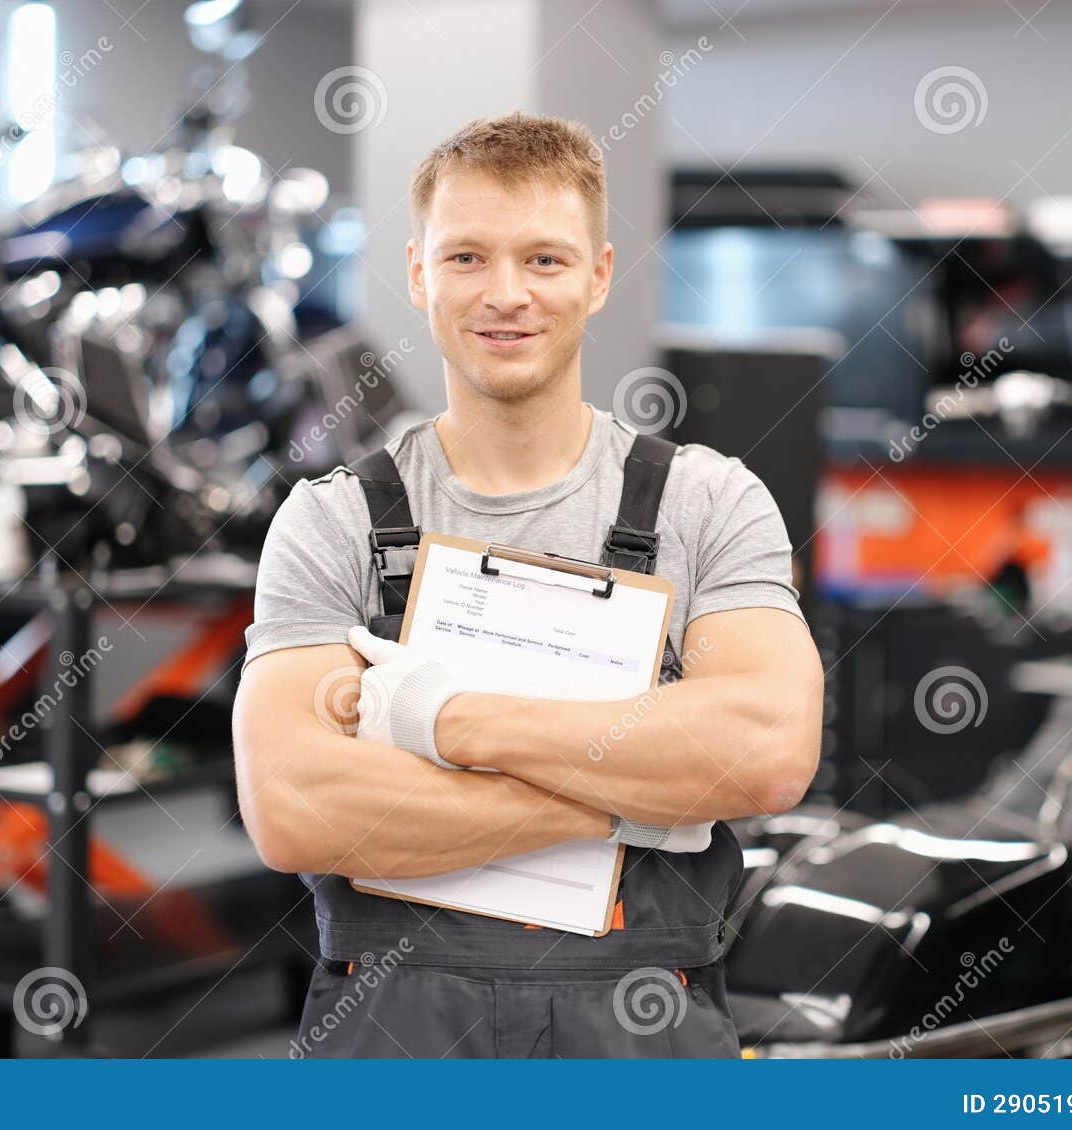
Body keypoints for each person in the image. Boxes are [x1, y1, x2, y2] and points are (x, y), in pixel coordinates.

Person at [232, 111, 823, 1058]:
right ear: (420, 272)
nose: (506, 294)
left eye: (544, 260)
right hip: (395, 1035)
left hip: (639, 1032)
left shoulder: (708, 501)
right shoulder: (334, 519)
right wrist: (641, 794)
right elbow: (295, 807)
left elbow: (764, 751)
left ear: (597, 275)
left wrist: (441, 719)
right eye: (467, 257)